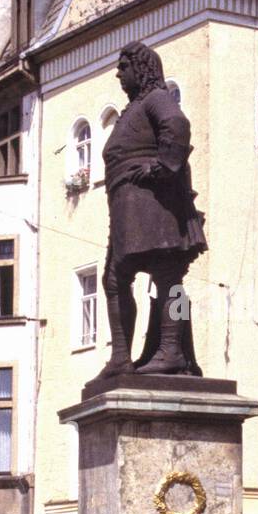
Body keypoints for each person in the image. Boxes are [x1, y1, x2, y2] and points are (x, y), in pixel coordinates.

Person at [99, 42, 207, 377]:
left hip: (155, 204)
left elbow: (177, 124)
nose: (118, 73)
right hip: (128, 209)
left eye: (123, 65)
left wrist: (162, 168)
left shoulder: (155, 99)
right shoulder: (134, 107)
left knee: (166, 276)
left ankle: (171, 350)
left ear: (141, 68)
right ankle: (121, 357)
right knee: (114, 278)